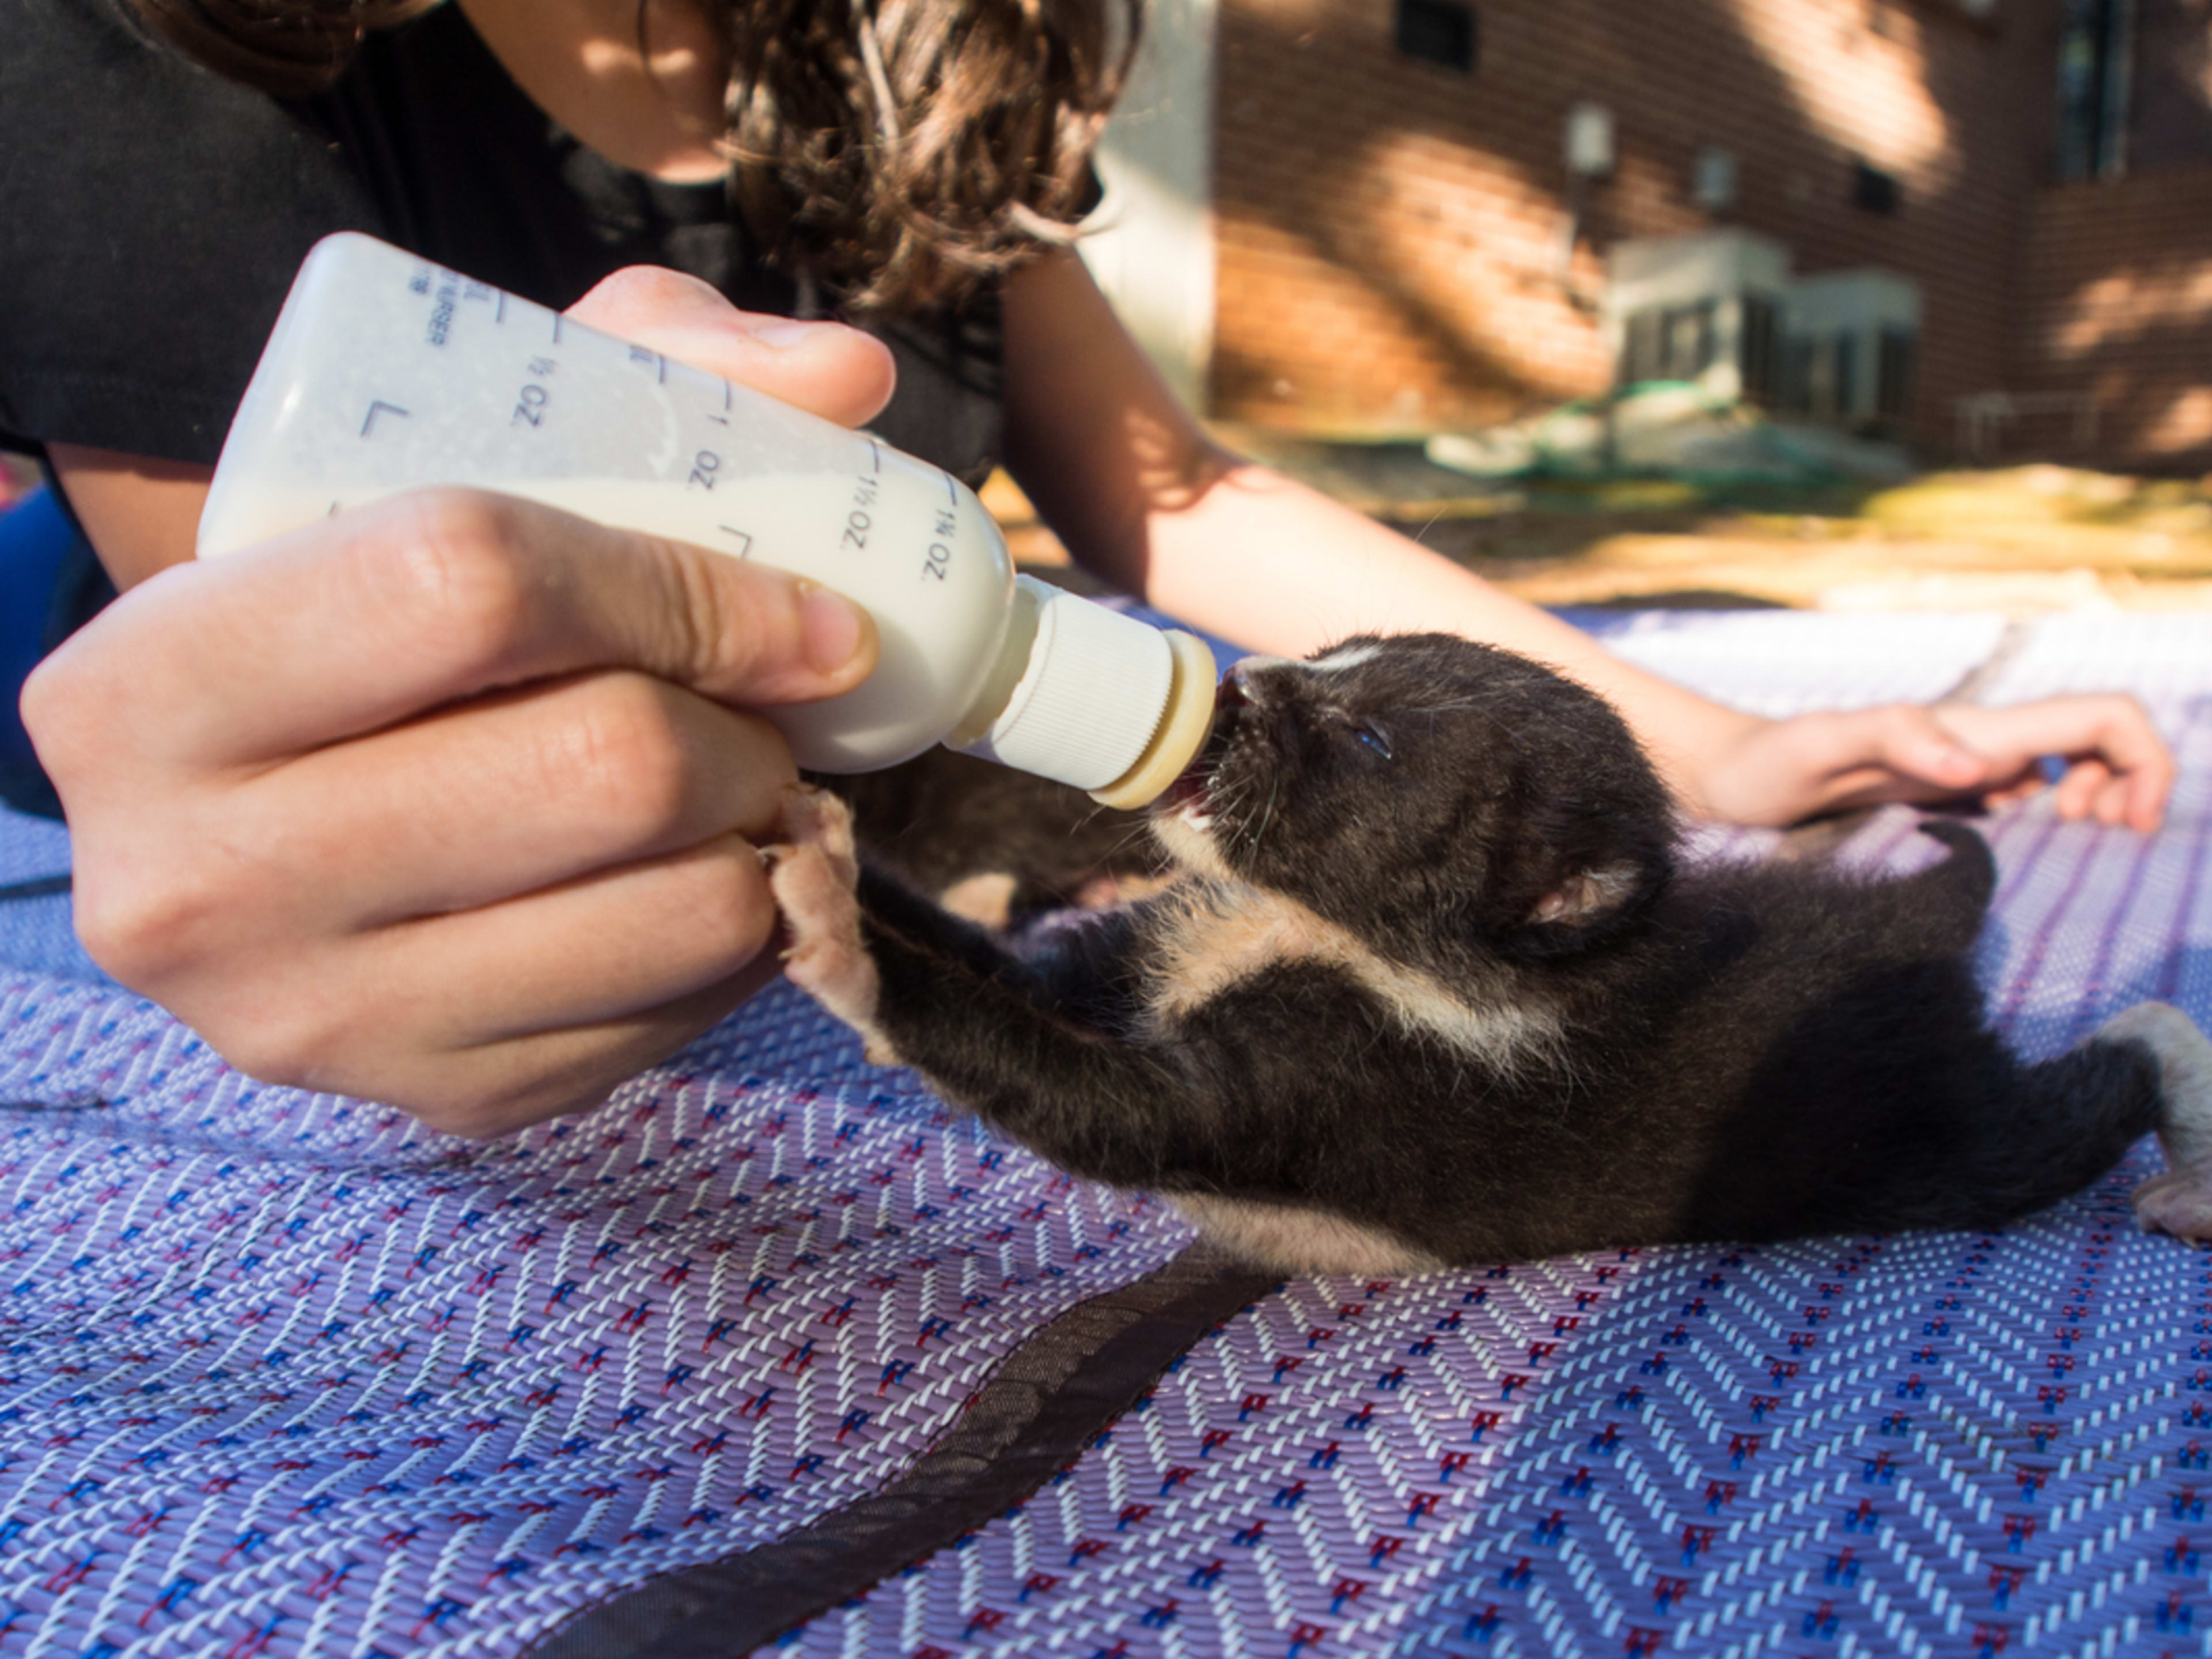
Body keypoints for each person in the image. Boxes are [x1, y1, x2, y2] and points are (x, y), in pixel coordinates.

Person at [3, 0, 2174, 1138]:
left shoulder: (910, 60)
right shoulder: (132, 47)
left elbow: (1180, 499)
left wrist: (1731, 745)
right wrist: (378, 889)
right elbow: (321, 755)